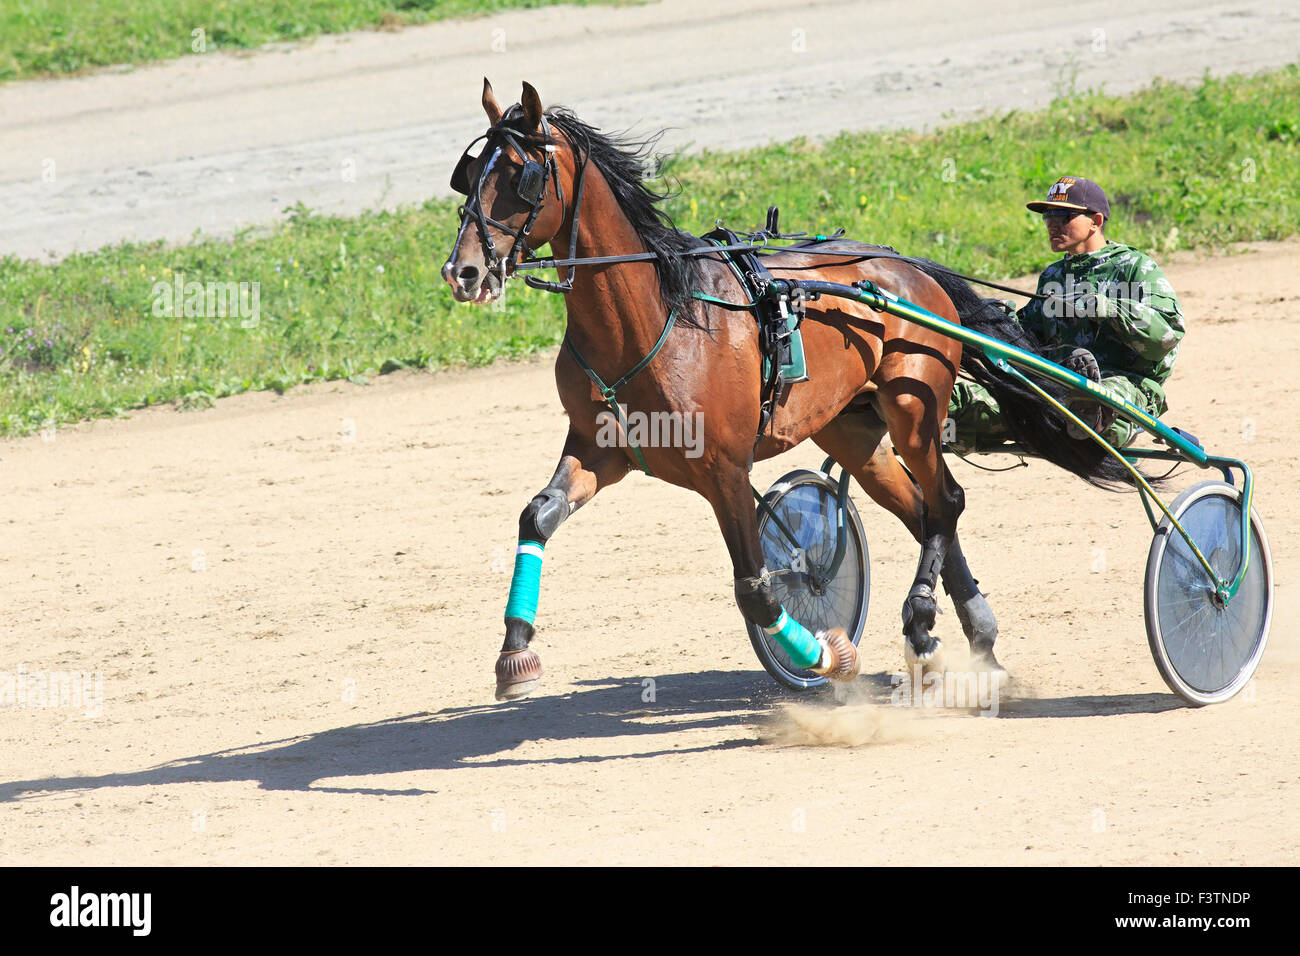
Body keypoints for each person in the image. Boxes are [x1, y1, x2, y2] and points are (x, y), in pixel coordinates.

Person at [947, 175, 1185, 453]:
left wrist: (1107, 308)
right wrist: (991, 319)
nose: (1053, 224)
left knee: (1100, 400)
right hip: (1054, 386)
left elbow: (1166, 336)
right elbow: (1028, 339)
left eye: (1064, 216)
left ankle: (1082, 407)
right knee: (954, 404)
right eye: (1048, 217)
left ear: (1095, 221)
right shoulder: (1054, 275)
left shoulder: (1134, 267)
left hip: (1125, 387)